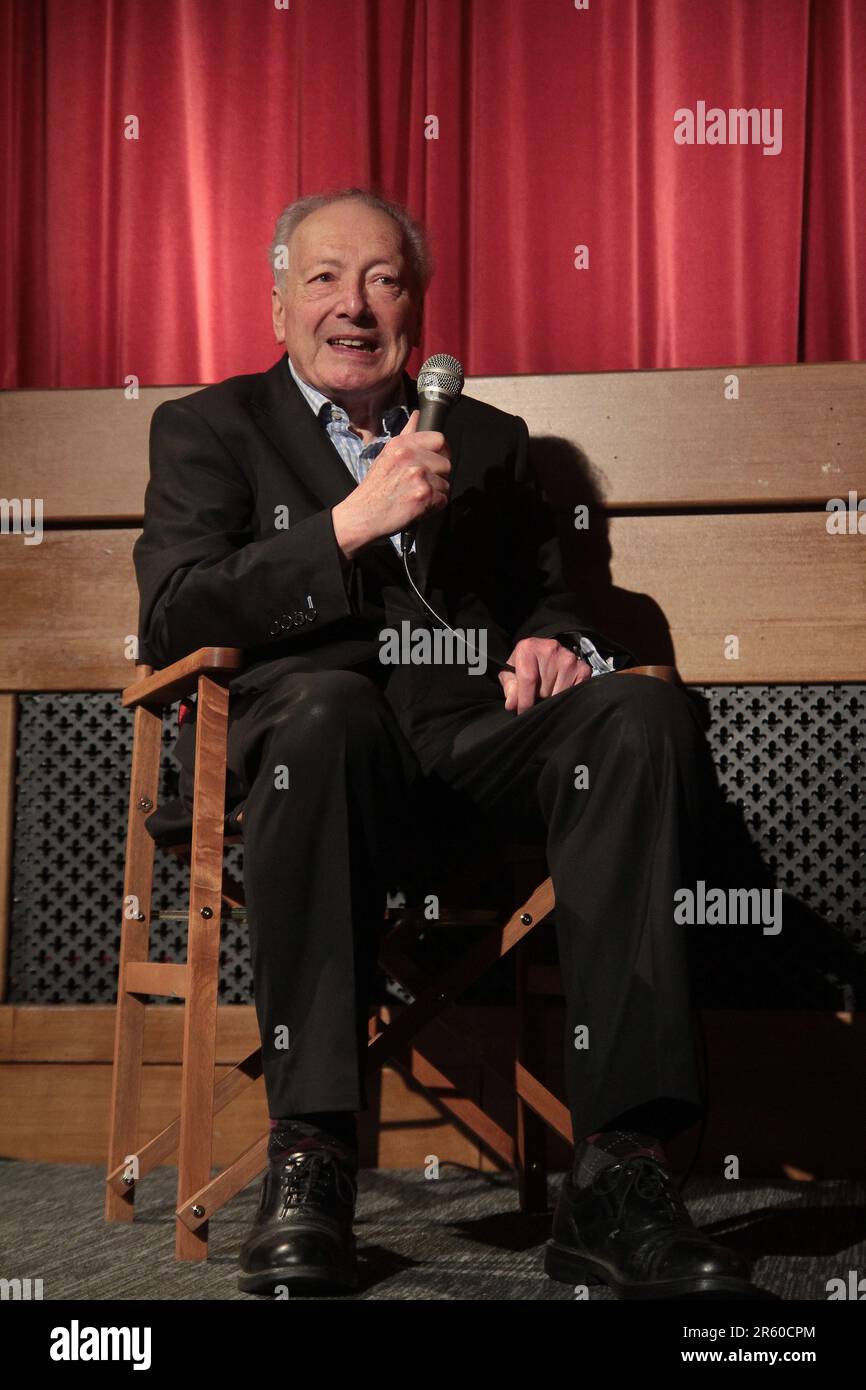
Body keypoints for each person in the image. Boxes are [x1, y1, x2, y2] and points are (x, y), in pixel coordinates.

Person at [133, 187, 761, 1300]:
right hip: (312, 765)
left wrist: (552, 645)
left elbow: (547, 598)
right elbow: (175, 613)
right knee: (325, 715)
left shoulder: (485, 439)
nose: (353, 306)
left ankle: (622, 1170)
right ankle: (313, 1157)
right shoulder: (208, 427)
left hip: (472, 748)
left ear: (416, 305)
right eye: (324, 277)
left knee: (640, 712)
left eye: (382, 279)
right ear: (276, 296)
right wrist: (343, 526)